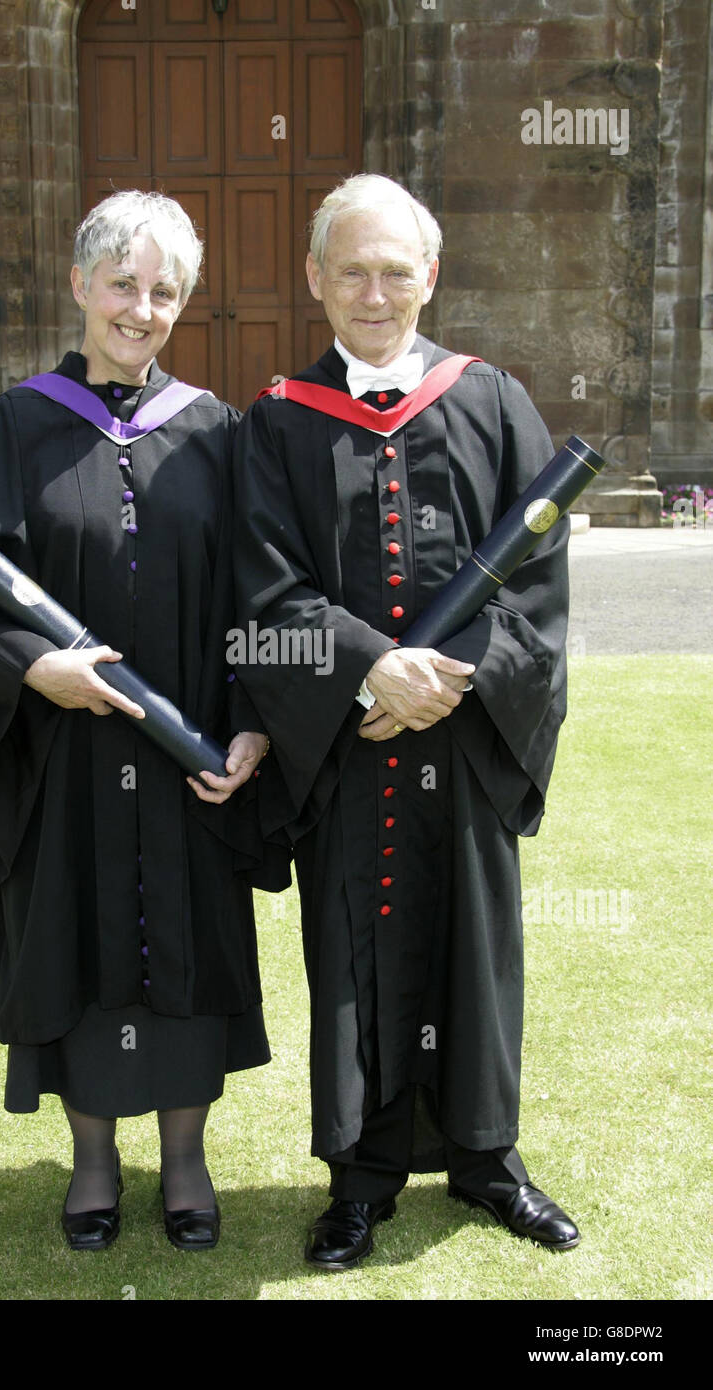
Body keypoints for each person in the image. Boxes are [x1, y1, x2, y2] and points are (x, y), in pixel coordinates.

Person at [233, 173, 581, 1269]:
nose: (374, 292)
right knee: (351, 955)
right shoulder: (278, 422)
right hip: (350, 749)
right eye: (352, 270)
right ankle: (360, 1175)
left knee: (474, 953)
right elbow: (261, 590)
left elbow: (538, 581)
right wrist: (365, 669)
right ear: (314, 280)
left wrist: (460, 672)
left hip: (465, 747)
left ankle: (486, 1160)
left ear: (428, 275)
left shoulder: (490, 401)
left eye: (395, 270)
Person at [0, 190, 278, 1253]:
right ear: (78, 285)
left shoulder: (216, 433)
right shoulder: (10, 429)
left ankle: (183, 1159)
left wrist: (254, 721)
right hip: (64, 755)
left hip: (186, 758)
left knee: (189, 945)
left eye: (164, 289)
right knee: (71, 938)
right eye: (121, 283)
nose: (141, 306)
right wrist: (38, 671)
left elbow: (267, 598)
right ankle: (89, 1161)